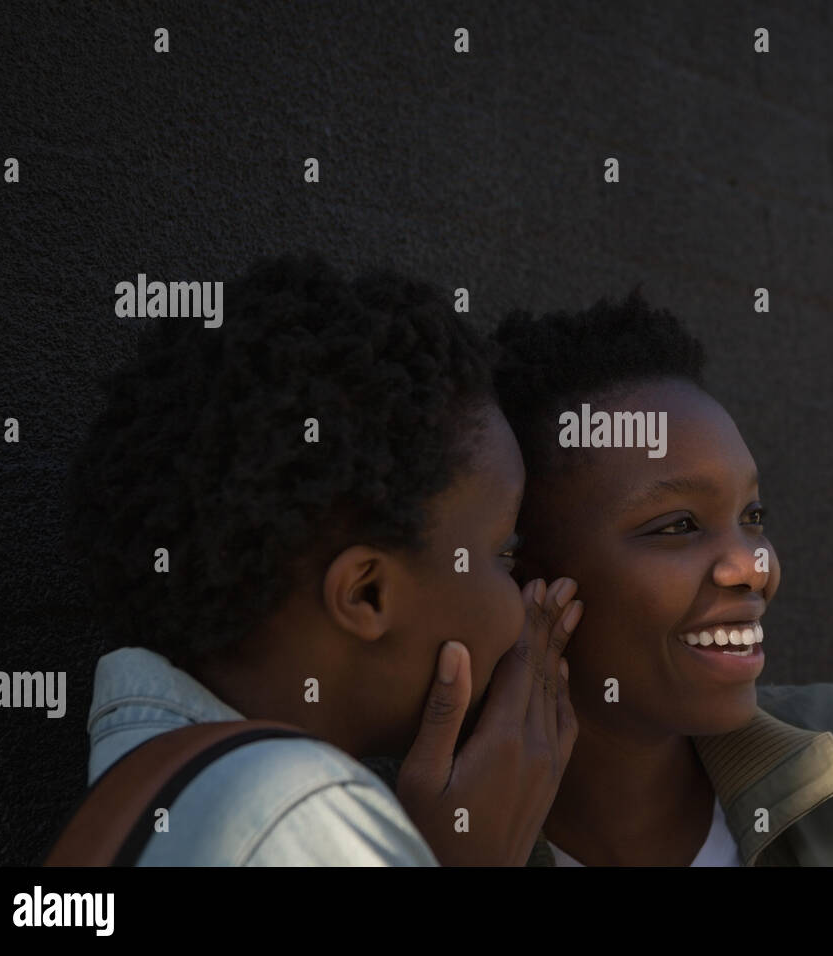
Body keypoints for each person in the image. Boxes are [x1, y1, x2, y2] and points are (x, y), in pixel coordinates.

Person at [62, 253, 583, 865]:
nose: (524, 596)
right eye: (504, 553)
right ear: (367, 594)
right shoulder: (303, 822)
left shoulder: (150, 782)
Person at [492, 291, 833, 866]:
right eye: (677, 525)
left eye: (752, 517)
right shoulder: (420, 840)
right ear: (527, 581)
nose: (754, 568)